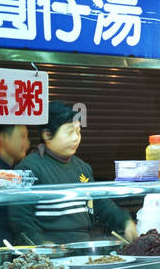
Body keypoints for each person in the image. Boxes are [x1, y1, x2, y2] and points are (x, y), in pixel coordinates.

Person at [10, 102, 137, 245]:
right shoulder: (29, 168)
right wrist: (40, 245)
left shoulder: (82, 168)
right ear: (47, 135)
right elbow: (19, 217)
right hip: (49, 252)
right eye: (69, 132)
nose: (76, 138)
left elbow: (100, 204)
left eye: (78, 131)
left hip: (82, 247)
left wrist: (125, 221)